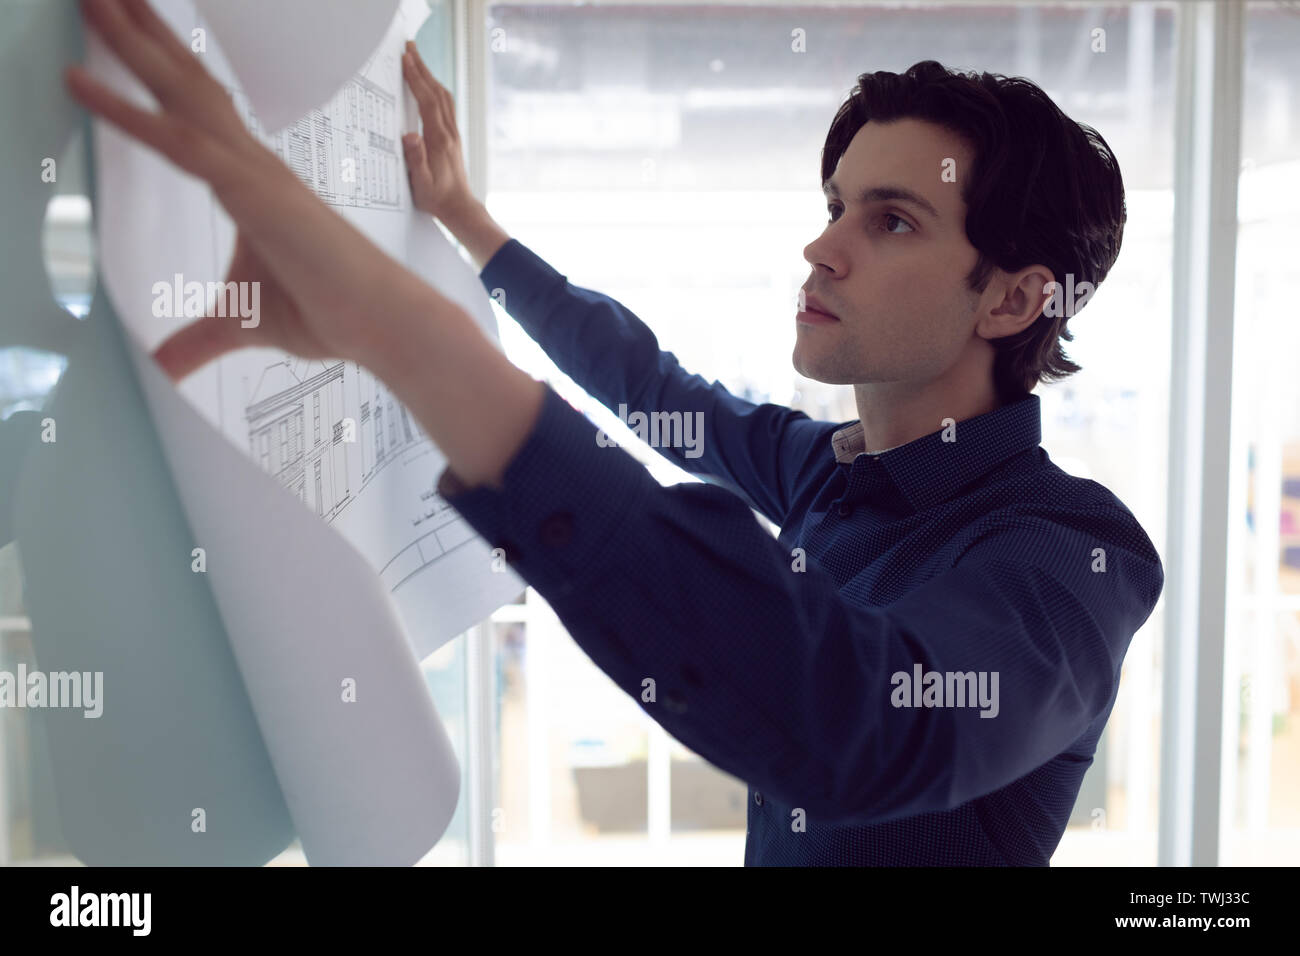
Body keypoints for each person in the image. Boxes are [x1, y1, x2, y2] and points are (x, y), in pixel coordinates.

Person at [66, 0, 1163, 865]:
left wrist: (403, 333)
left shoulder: (1070, 557)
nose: (820, 249)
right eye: (833, 205)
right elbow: (650, 386)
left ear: (1016, 300)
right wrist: (468, 229)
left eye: (889, 221)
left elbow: (857, 722)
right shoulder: (829, 475)